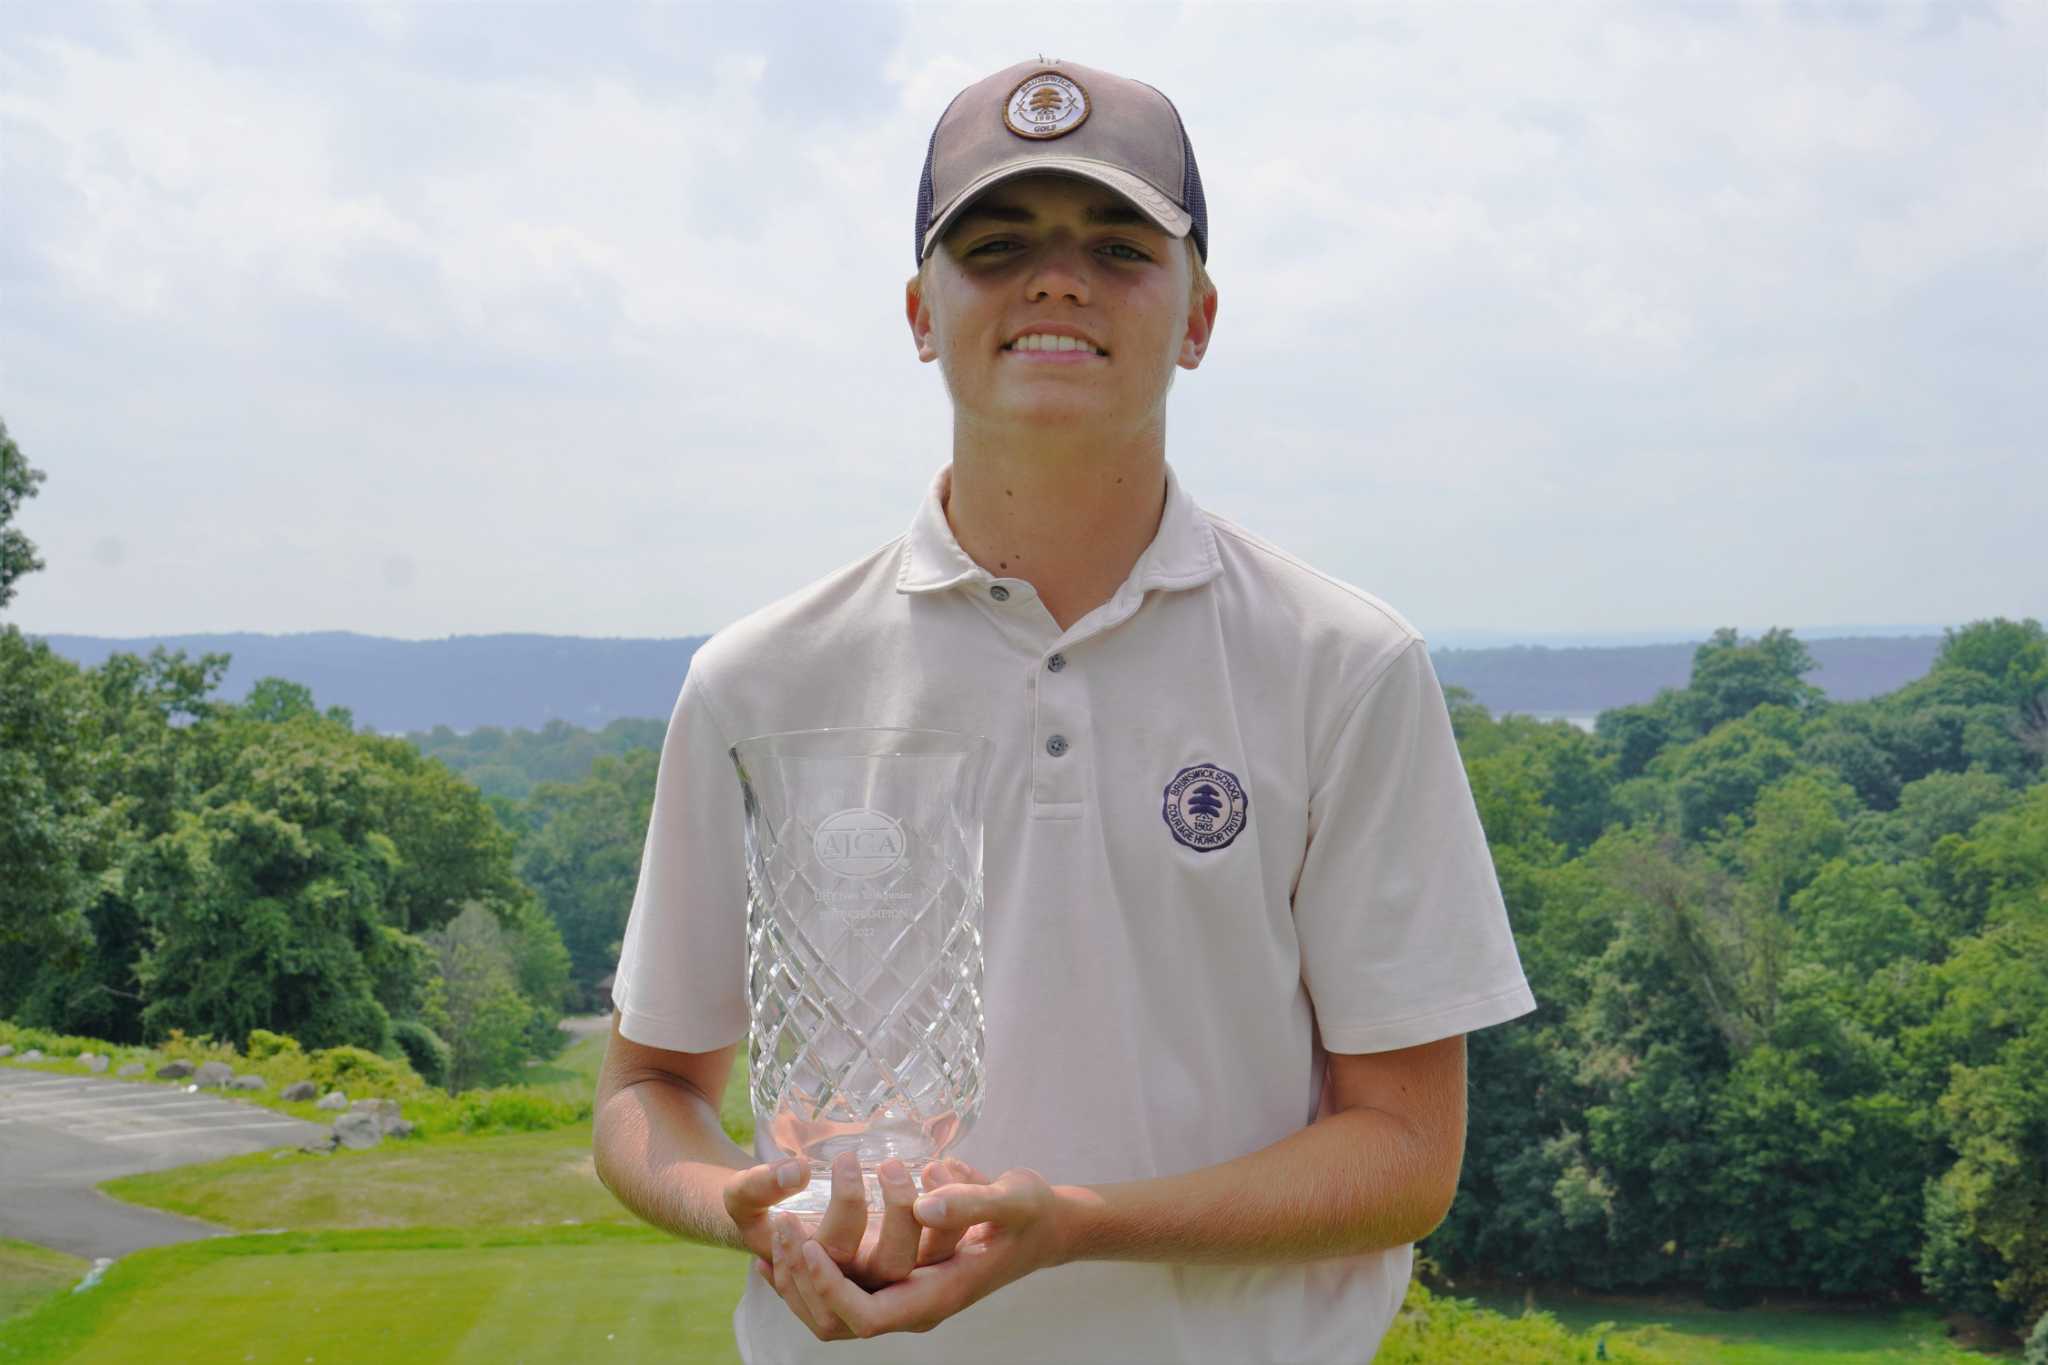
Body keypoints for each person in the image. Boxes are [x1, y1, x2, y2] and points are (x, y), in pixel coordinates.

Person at [593, 56, 1537, 1363]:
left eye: (1116, 245)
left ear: (1199, 314)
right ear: (921, 310)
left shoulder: (1345, 664)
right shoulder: (758, 677)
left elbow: (1406, 1154)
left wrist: (1081, 1222)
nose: (1055, 279)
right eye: (994, 246)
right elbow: (648, 1088)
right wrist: (747, 1207)